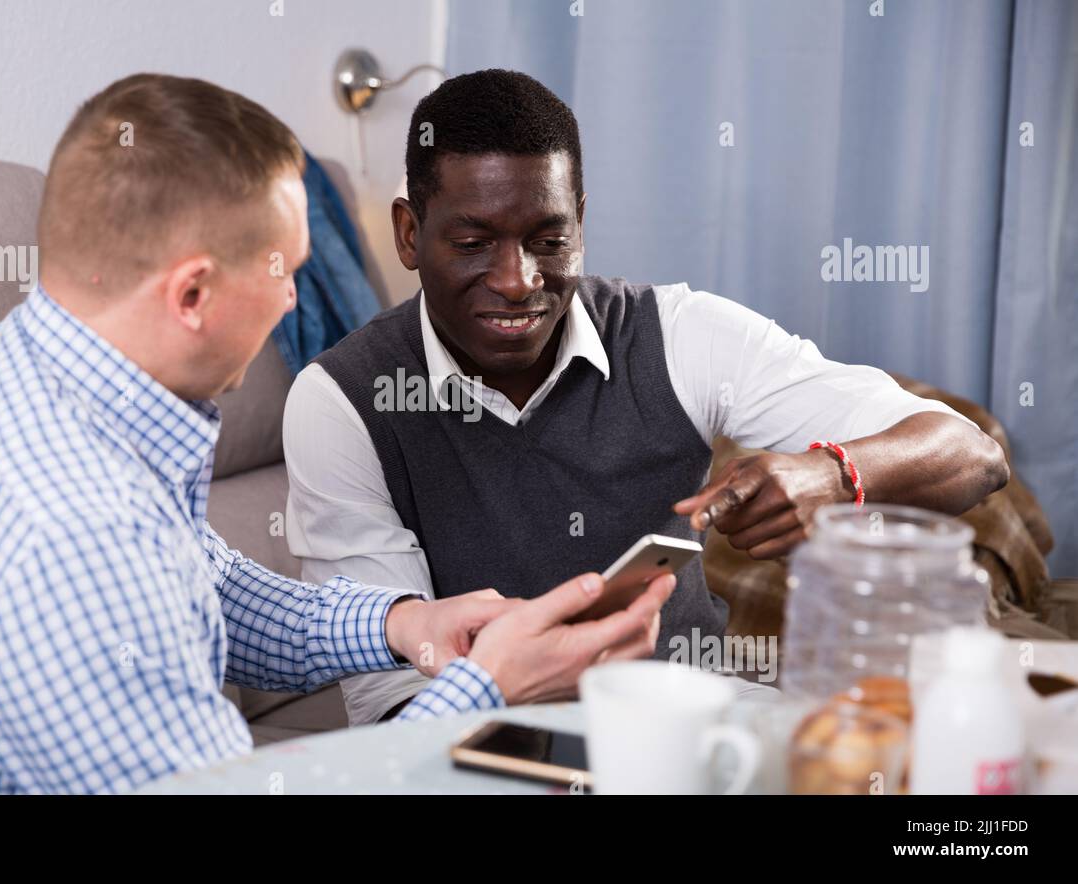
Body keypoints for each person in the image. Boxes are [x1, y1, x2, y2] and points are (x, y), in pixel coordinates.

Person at [0, 73, 672, 794]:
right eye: (284, 271)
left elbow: (196, 580)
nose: (294, 301)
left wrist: (406, 623)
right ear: (193, 294)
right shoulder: (65, 530)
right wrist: (491, 692)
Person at [282, 69, 1009, 725]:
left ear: (581, 221)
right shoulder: (340, 403)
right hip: (485, 753)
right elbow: (391, 706)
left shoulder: (679, 334)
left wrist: (833, 473)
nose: (517, 280)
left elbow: (972, 453)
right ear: (410, 234)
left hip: (702, 725)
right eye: (473, 243)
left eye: (548, 240)